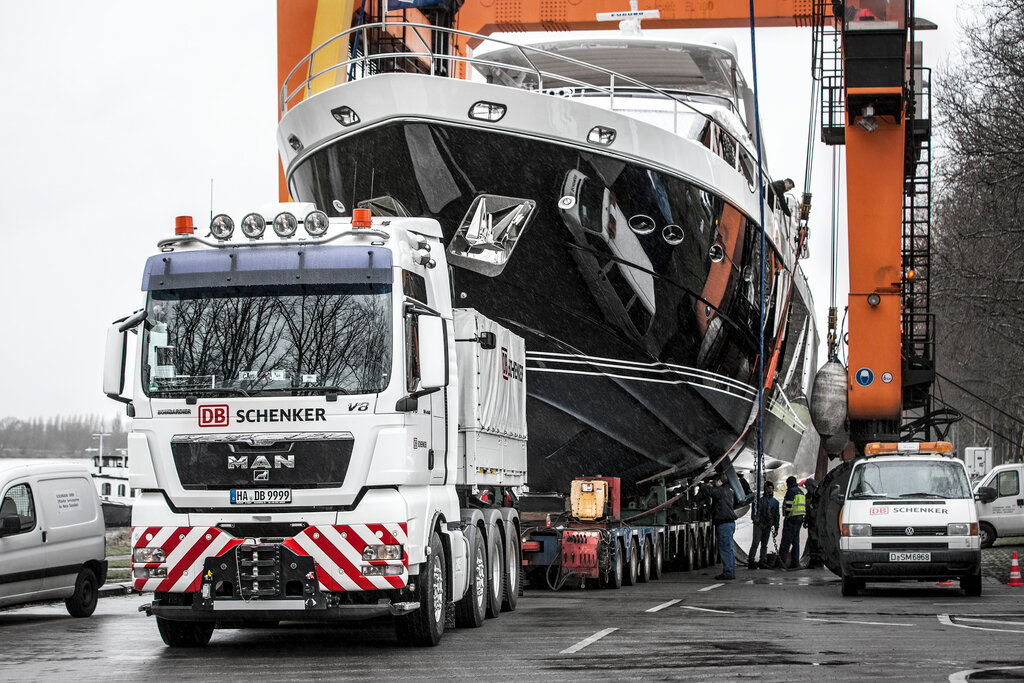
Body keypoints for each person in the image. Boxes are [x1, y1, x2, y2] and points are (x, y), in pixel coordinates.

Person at [700, 476, 737, 580]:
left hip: (724, 524)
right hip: (728, 523)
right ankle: (730, 571)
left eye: (715, 481)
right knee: (728, 548)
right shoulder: (729, 490)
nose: (714, 483)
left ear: (720, 481)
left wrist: (701, 485)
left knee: (725, 548)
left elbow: (711, 491)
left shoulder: (722, 491)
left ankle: (729, 572)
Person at [747, 480, 780, 569]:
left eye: (771, 488)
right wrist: (756, 520)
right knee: (756, 543)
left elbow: (777, 515)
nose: (770, 490)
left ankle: (763, 560)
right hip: (759, 524)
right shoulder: (760, 501)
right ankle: (751, 560)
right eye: (769, 488)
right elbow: (755, 512)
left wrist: (776, 527)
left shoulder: (775, 502)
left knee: (764, 544)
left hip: (767, 525)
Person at [776, 475, 806, 569]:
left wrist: (787, 516)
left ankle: (781, 563)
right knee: (795, 541)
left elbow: (788, 506)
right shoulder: (801, 492)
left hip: (791, 519)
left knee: (786, 541)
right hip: (800, 518)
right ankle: (795, 563)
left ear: (788, 484)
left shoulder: (791, 491)